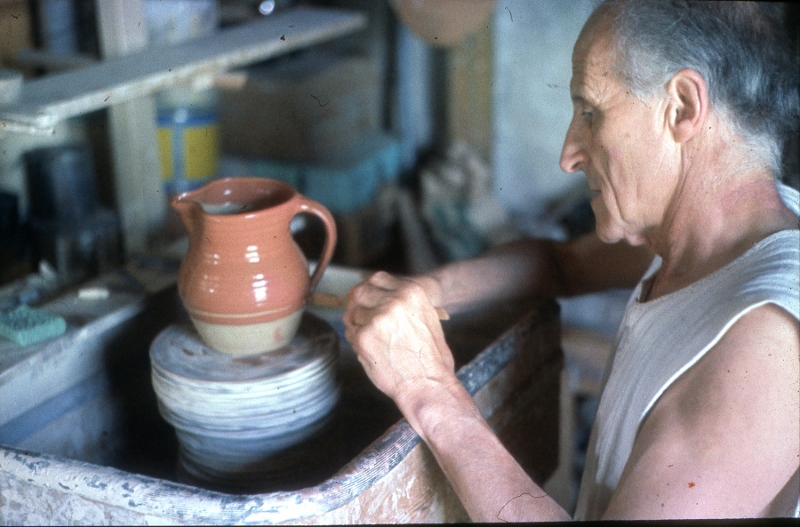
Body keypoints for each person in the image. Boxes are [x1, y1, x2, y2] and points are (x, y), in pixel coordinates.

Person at [344, 0, 800, 521]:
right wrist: (426, 294)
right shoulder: (735, 233)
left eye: (590, 113)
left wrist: (427, 391)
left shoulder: (759, 349)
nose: (569, 153)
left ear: (681, 108)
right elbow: (561, 266)